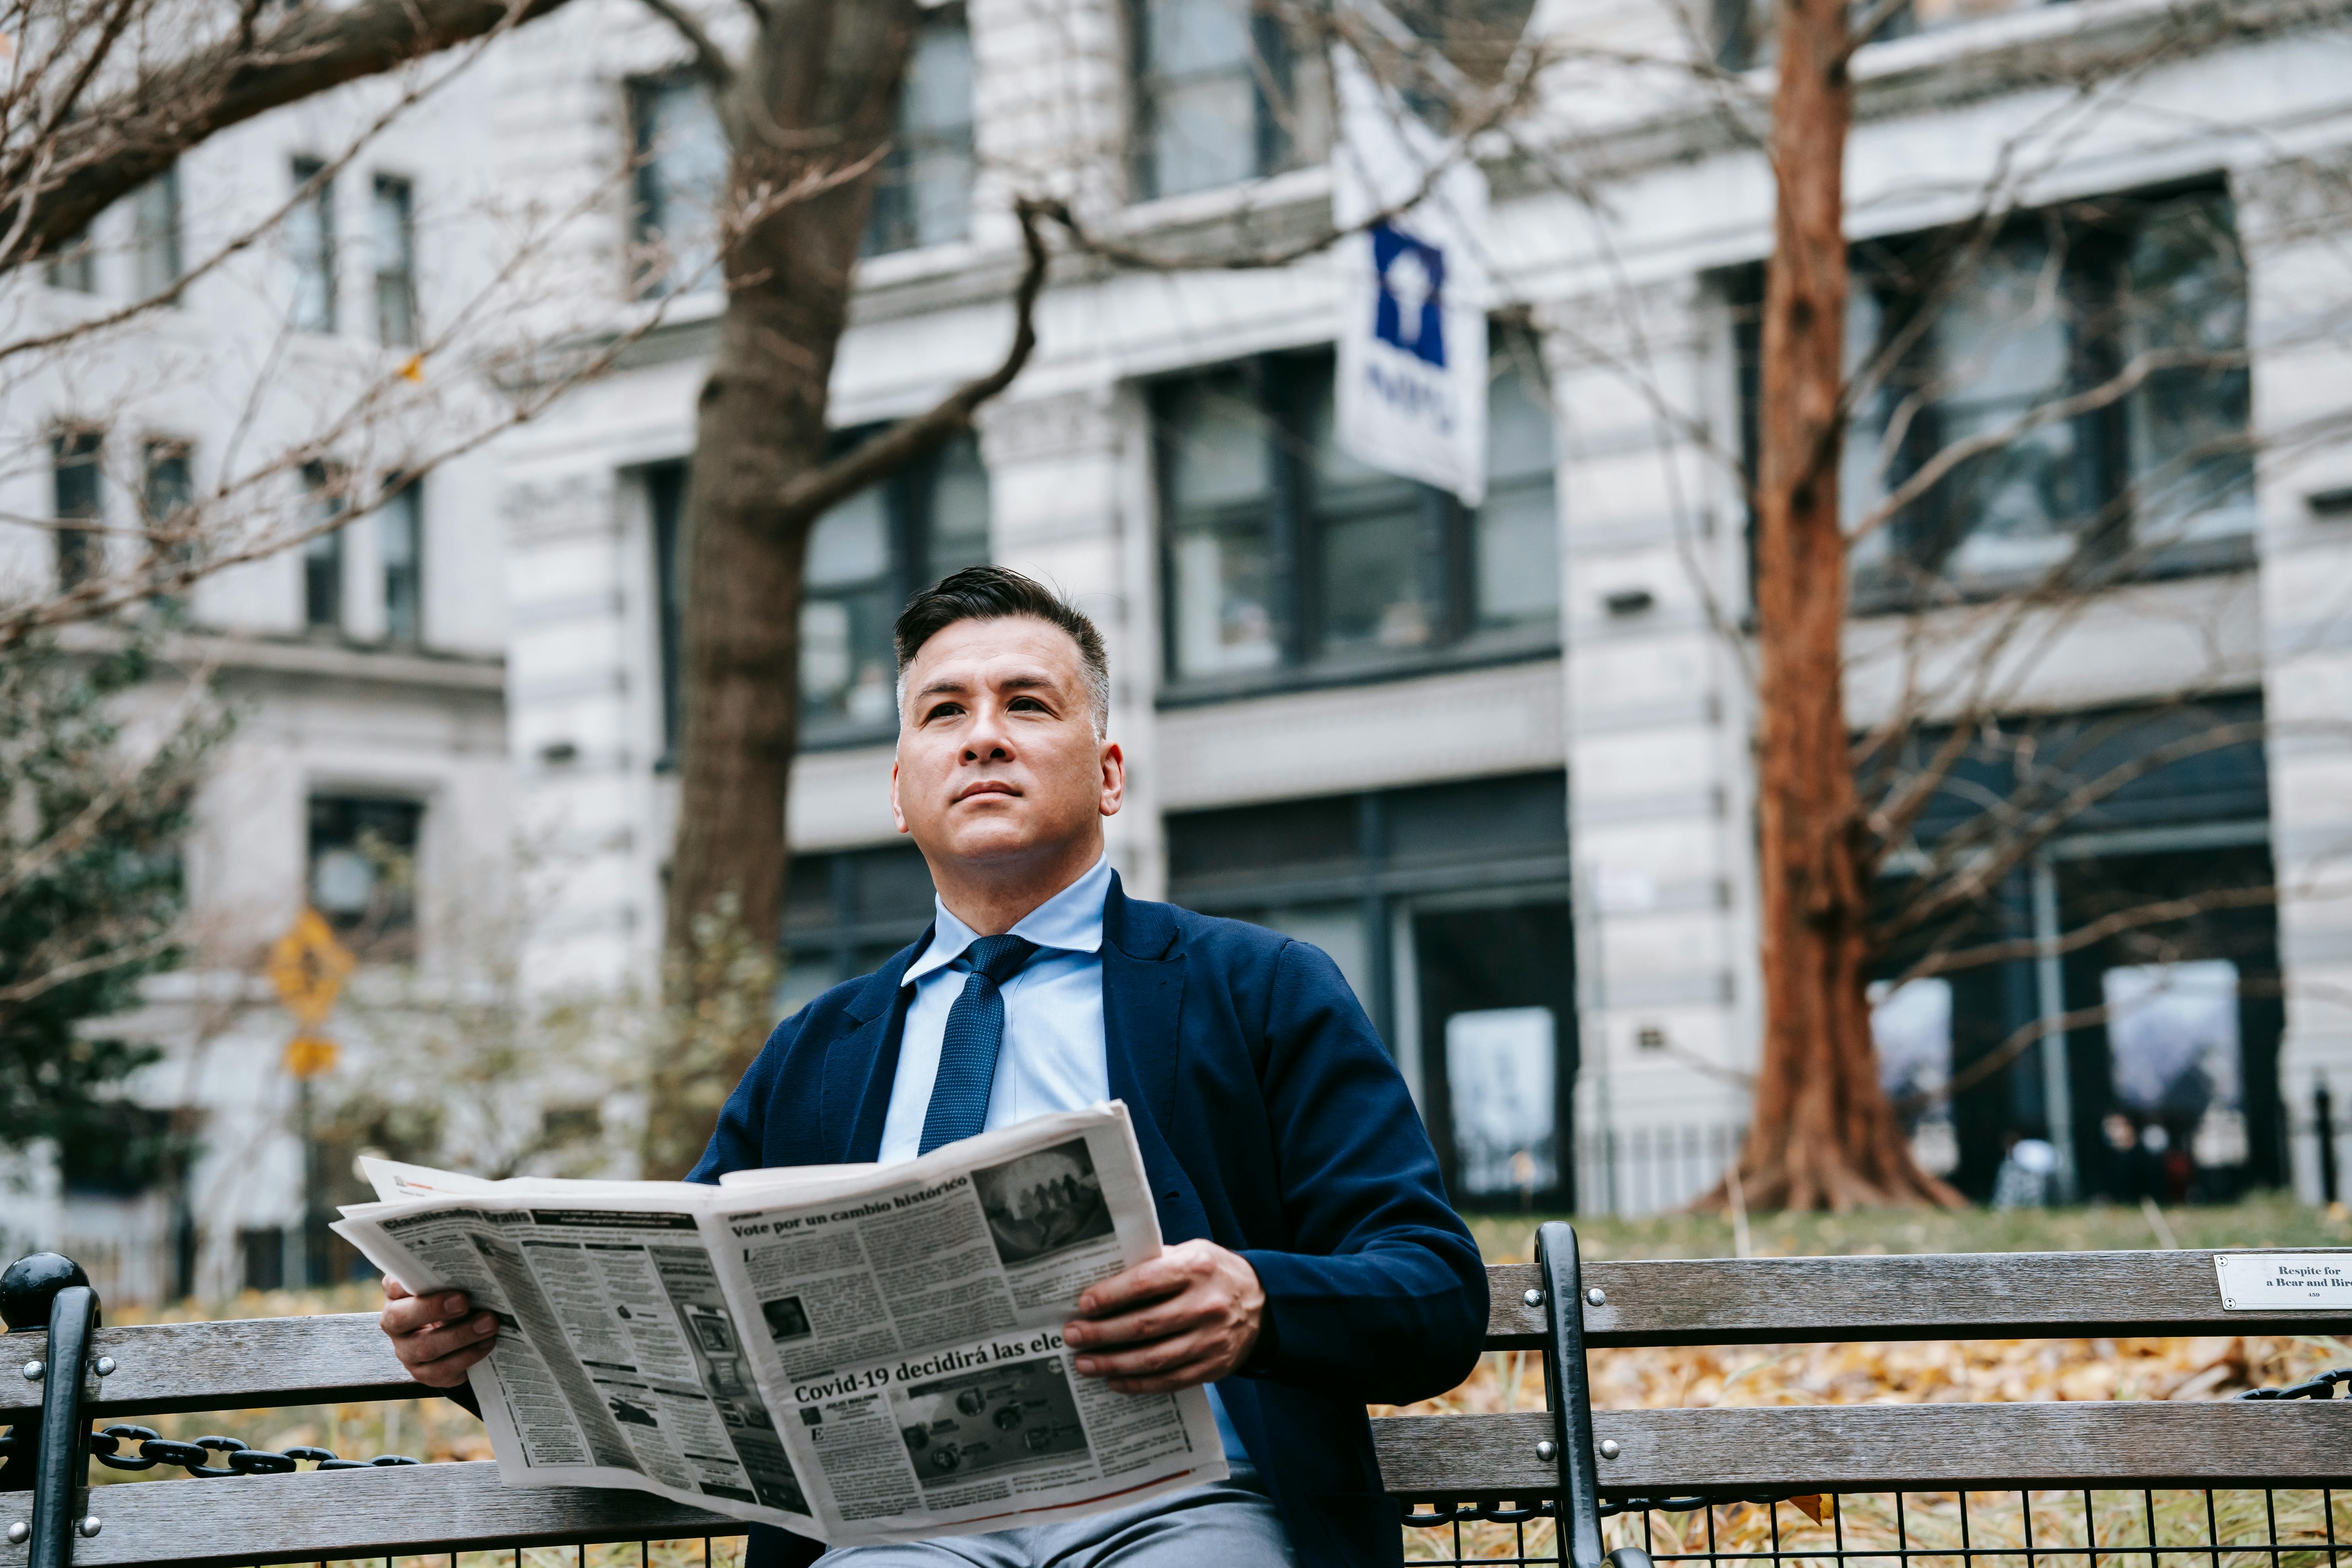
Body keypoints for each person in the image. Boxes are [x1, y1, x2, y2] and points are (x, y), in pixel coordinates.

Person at [377, 566, 1488, 1568]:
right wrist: (483, 1350)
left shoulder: (1259, 989)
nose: (984, 736)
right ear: (900, 786)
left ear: (1107, 775)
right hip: (895, 1535)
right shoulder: (816, 1052)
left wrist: (1260, 1299)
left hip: (1190, 1510)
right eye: (945, 712)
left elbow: (1434, 1287)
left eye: (1028, 704)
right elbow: (681, 1345)